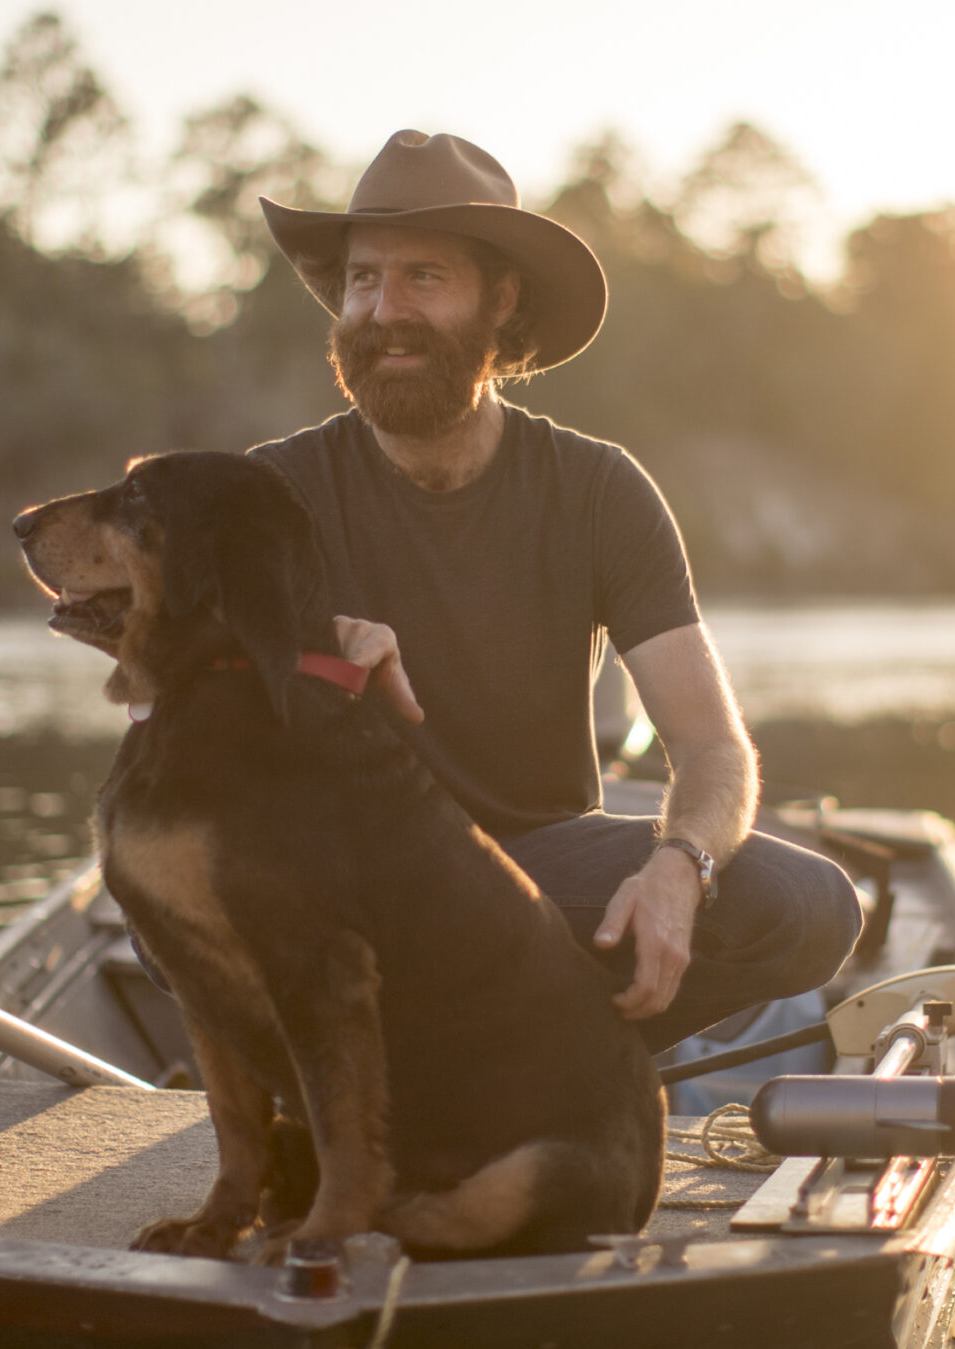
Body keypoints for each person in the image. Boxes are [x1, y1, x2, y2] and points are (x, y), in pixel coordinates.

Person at [250, 130, 860, 1054]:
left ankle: (546, 1062)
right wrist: (294, 657)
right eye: (363, 278)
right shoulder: (271, 493)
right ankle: (436, 1066)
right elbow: (162, 686)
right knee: (171, 900)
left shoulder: (599, 490)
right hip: (344, 878)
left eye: (424, 277)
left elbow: (710, 746)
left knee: (808, 903)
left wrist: (679, 867)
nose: (383, 309)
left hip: (542, 877)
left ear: (501, 300)